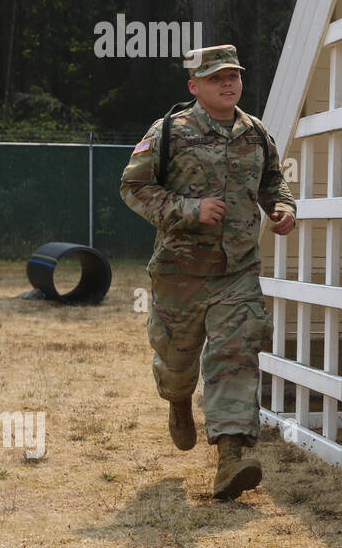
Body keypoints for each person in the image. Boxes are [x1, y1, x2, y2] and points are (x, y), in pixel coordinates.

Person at [120, 44, 295, 500]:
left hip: (237, 271)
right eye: (217, 78)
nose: (228, 83)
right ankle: (178, 398)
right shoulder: (169, 132)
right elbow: (134, 187)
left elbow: (274, 182)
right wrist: (188, 209)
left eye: (233, 75)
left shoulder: (255, 132)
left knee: (235, 354)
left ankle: (230, 458)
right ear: (194, 86)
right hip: (180, 271)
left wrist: (282, 208)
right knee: (177, 358)